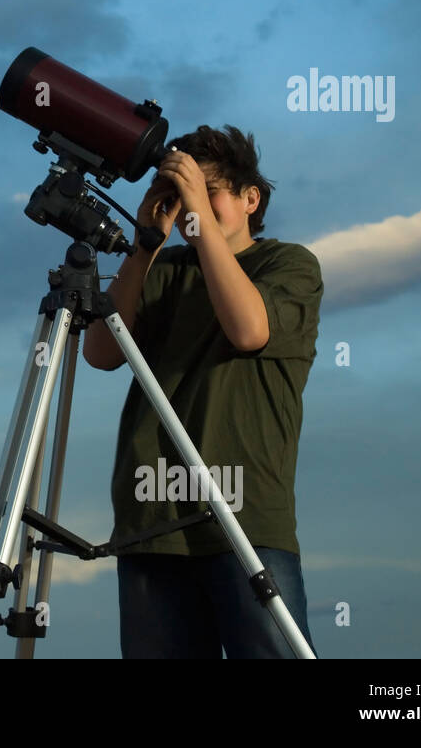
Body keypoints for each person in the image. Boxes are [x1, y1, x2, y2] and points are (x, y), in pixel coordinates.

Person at [82, 124, 322, 658]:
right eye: (181, 190)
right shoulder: (161, 271)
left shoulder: (287, 265)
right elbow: (100, 353)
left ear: (250, 197)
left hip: (245, 516)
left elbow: (249, 329)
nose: (193, 204)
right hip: (152, 517)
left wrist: (200, 220)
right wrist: (144, 244)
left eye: (208, 190)